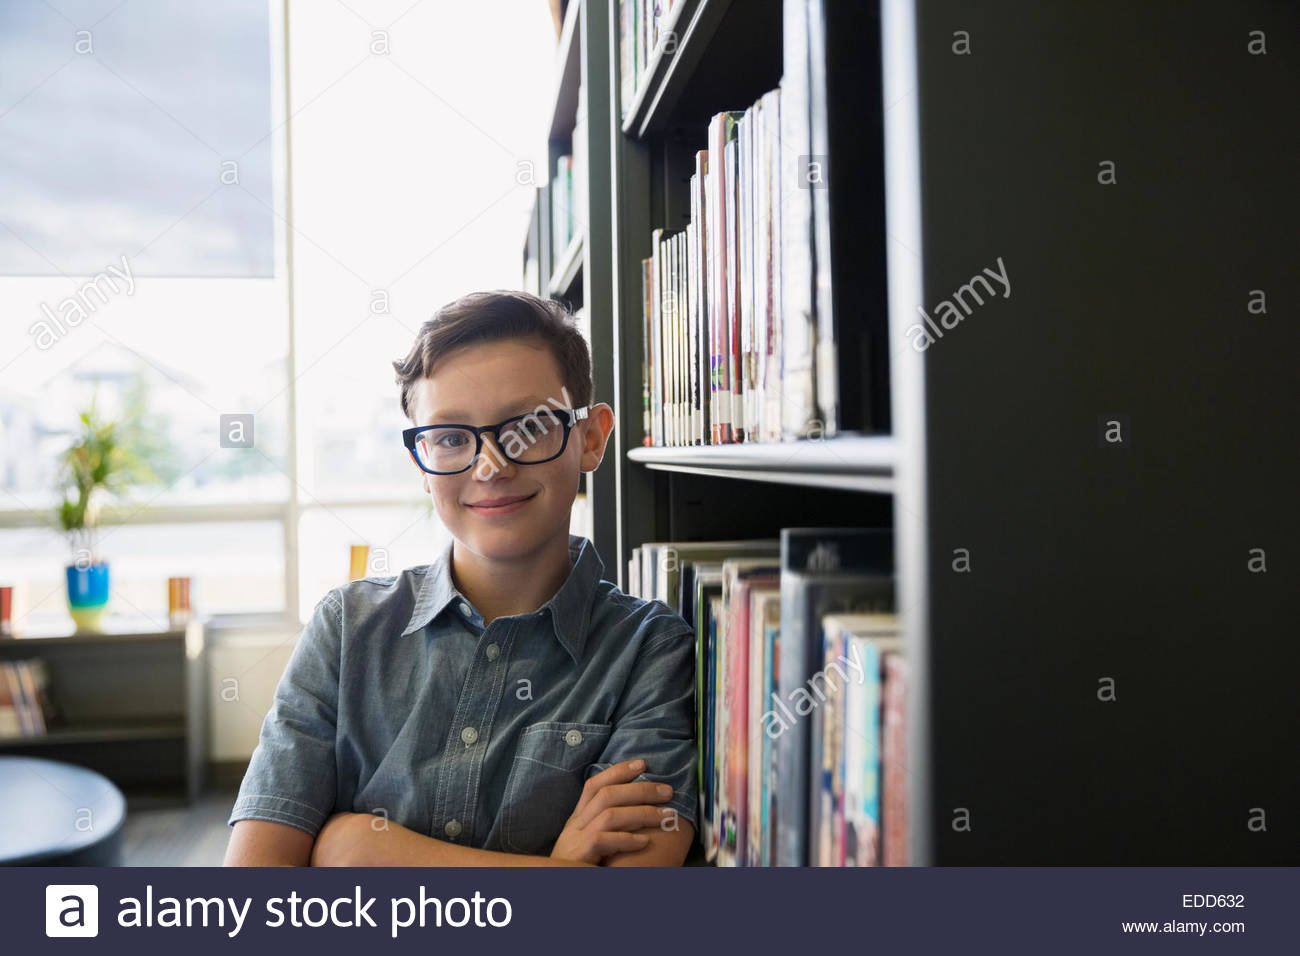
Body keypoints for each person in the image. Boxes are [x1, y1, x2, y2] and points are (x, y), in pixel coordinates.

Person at [223, 290, 697, 866]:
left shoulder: (650, 650)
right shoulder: (347, 629)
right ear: (421, 461)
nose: (491, 465)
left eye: (527, 426)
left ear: (591, 438)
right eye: (450, 438)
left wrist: (355, 852)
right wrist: (559, 870)